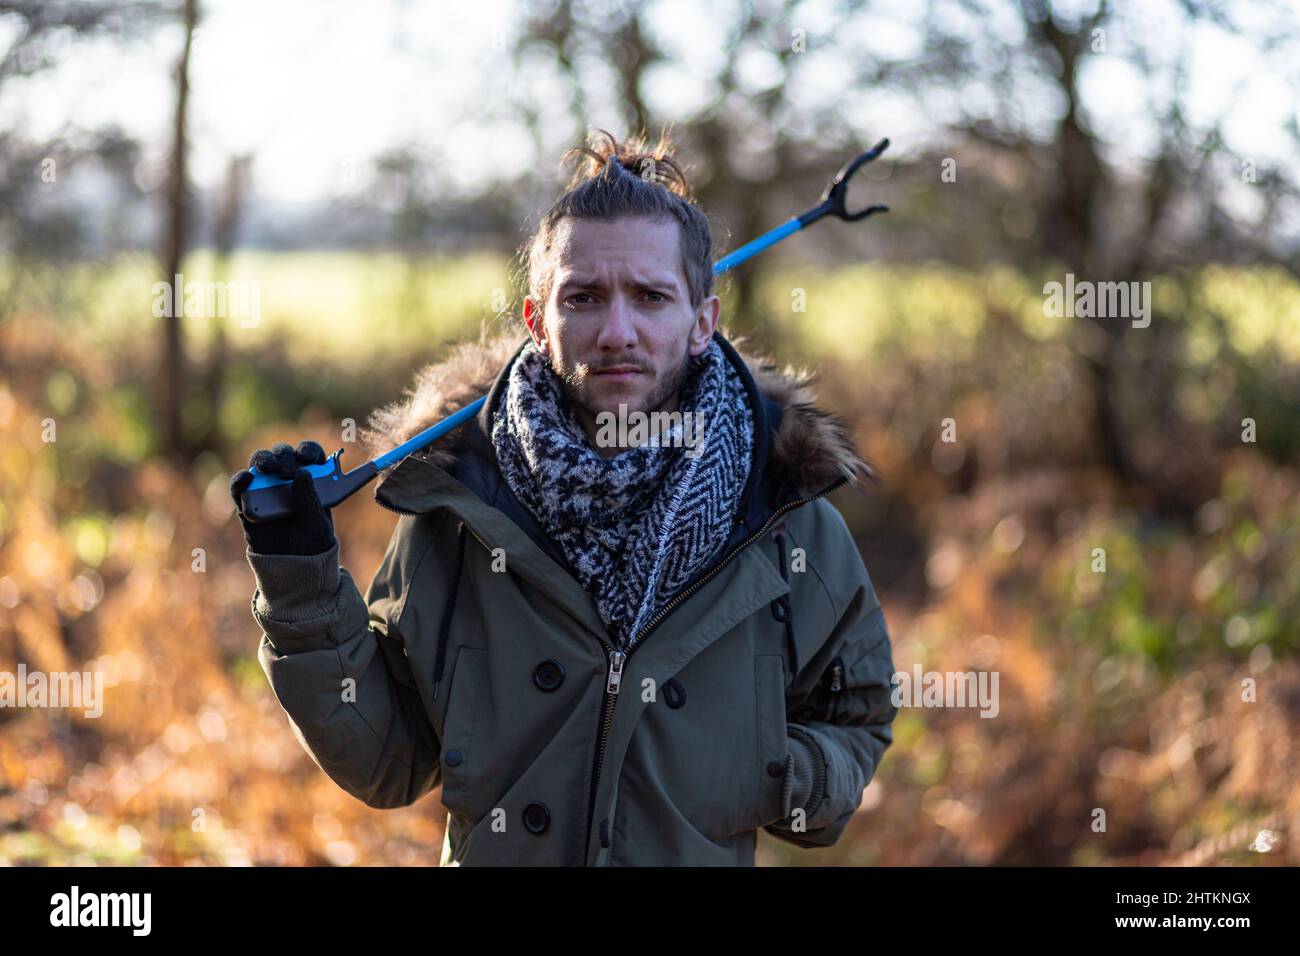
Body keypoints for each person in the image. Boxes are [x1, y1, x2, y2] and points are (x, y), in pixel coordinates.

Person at [229, 129, 898, 866]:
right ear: (537, 324)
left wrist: (770, 769)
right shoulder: (458, 509)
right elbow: (387, 759)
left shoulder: (785, 520)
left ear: (702, 321)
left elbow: (856, 719)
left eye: (650, 296)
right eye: (583, 298)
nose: (617, 332)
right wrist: (299, 583)